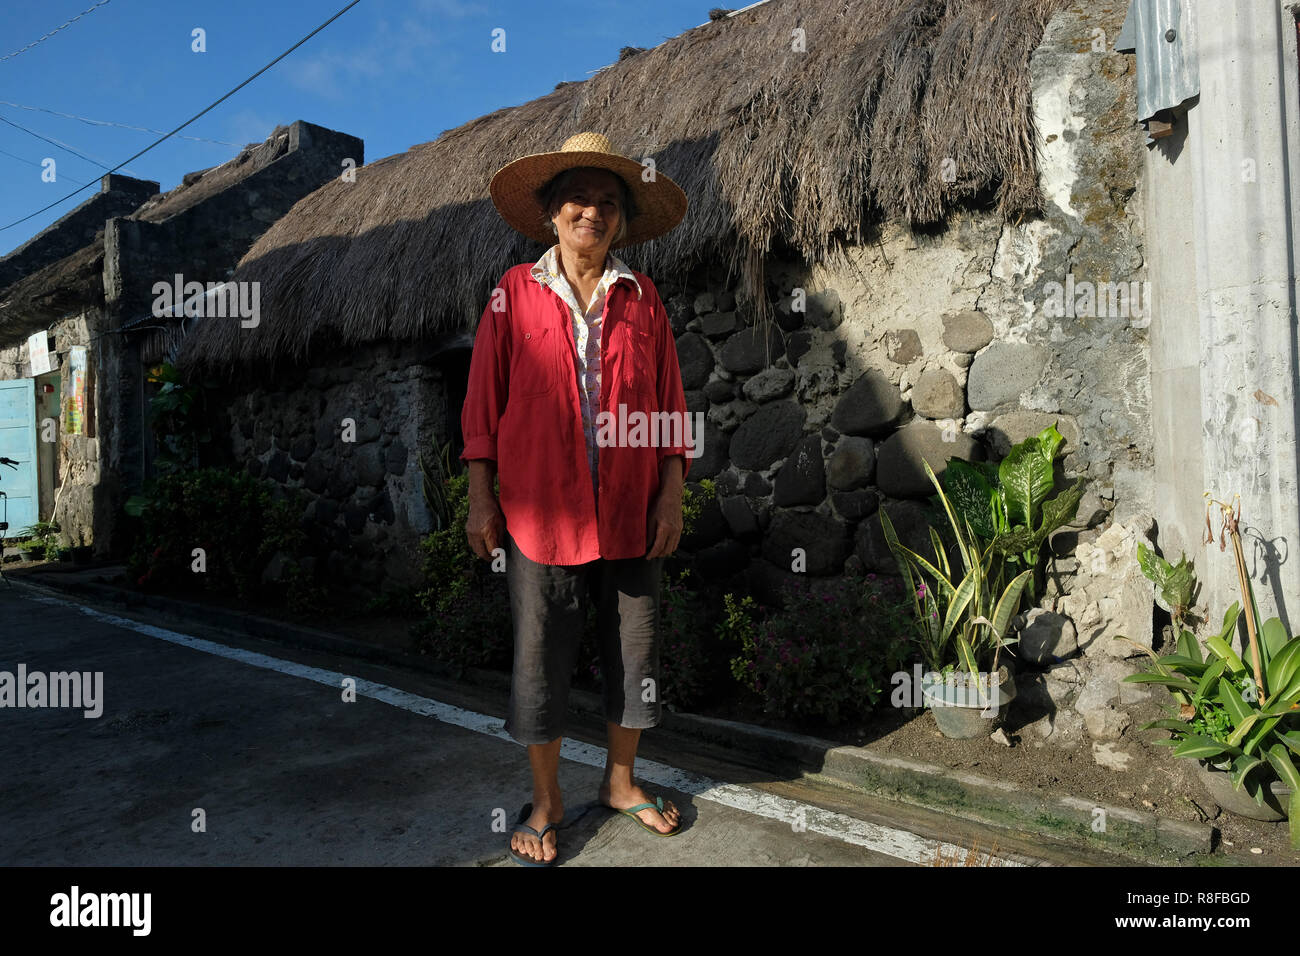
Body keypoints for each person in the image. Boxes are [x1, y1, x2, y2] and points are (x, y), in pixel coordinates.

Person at [461, 132, 693, 865]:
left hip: (630, 509)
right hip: (539, 512)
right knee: (541, 656)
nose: (590, 212)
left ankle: (620, 783)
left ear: (621, 220)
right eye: (577, 199)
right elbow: (481, 407)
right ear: (551, 213)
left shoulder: (642, 298)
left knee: (635, 652)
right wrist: (480, 498)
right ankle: (548, 798)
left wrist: (670, 496)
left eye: (606, 202)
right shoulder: (513, 293)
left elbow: (667, 406)